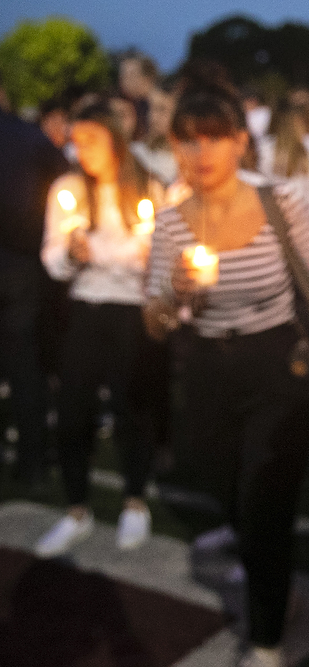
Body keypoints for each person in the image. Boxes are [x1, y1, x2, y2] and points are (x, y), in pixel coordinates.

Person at [144, 63, 309, 667]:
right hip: (207, 366)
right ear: (174, 144)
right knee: (224, 487)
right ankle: (265, 578)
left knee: (266, 499)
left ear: (239, 141)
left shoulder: (277, 200)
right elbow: (153, 321)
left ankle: (265, 640)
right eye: (188, 138)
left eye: (214, 136)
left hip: (275, 363)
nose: (200, 152)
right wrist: (177, 295)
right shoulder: (171, 220)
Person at [35, 97, 164, 556]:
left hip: (132, 310)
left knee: (134, 406)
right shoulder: (67, 188)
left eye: (90, 139)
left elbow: (153, 256)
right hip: (86, 308)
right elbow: (51, 256)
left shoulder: (149, 187)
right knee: (73, 409)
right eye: (75, 140)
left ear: (115, 139)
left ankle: (134, 500)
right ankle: (76, 509)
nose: (79, 149)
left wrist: (108, 252)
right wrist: (72, 254)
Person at [0, 79, 69, 489]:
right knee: (25, 367)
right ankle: (33, 463)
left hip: (19, 263)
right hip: (24, 266)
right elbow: (65, 190)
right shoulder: (34, 139)